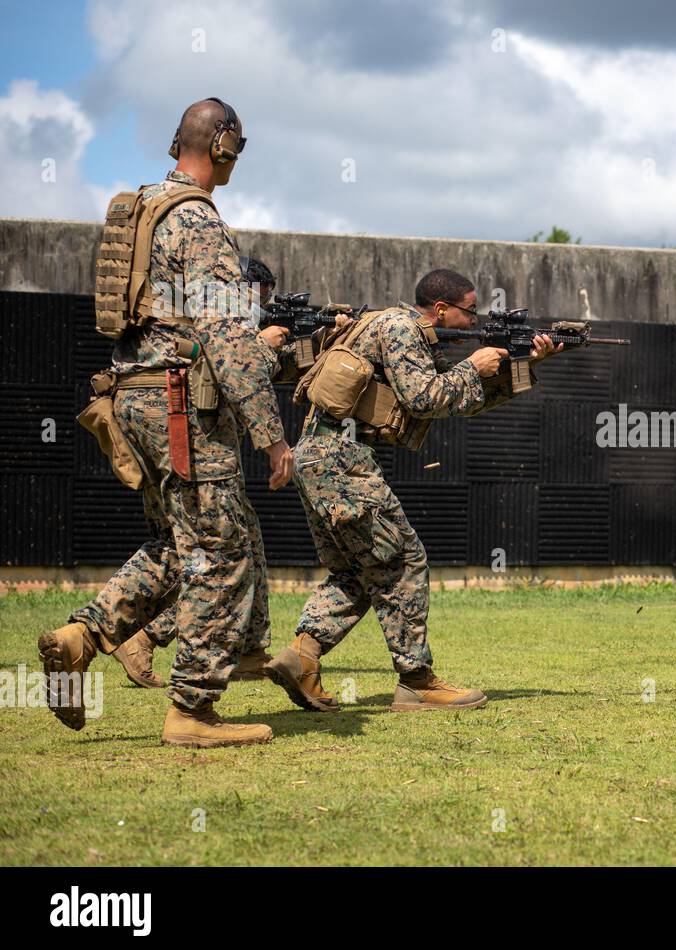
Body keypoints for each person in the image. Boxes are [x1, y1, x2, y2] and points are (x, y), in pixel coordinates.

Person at [39, 98, 294, 747]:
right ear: (226, 146)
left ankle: (81, 637)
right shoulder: (198, 220)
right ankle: (192, 712)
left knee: (178, 547)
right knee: (220, 552)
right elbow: (228, 335)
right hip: (180, 404)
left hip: (131, 394)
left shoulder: (144, 207)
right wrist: (270, 434)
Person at [264, 269, 559, 713]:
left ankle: (301, 657)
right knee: (404, 562)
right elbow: (425, 399)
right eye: (470, 311)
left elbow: (459, 400)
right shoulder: (401, 329)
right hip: (343, 462)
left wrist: (524, 364)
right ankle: (417, 681)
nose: (474, 320)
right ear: (441, 309)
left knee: (359, 571)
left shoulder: (391, 327)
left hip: (325, 460)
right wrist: (471, 366)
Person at [108, 255, 288, 689]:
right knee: (212, 552)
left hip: (159, 423)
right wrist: (263, 346)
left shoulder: (178, 310)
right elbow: (229, 367)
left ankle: (248, 648)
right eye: (256, 302)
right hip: (186, 433)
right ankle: (136, 637)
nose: (258, 312)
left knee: (213, 543)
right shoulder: (212, 317)